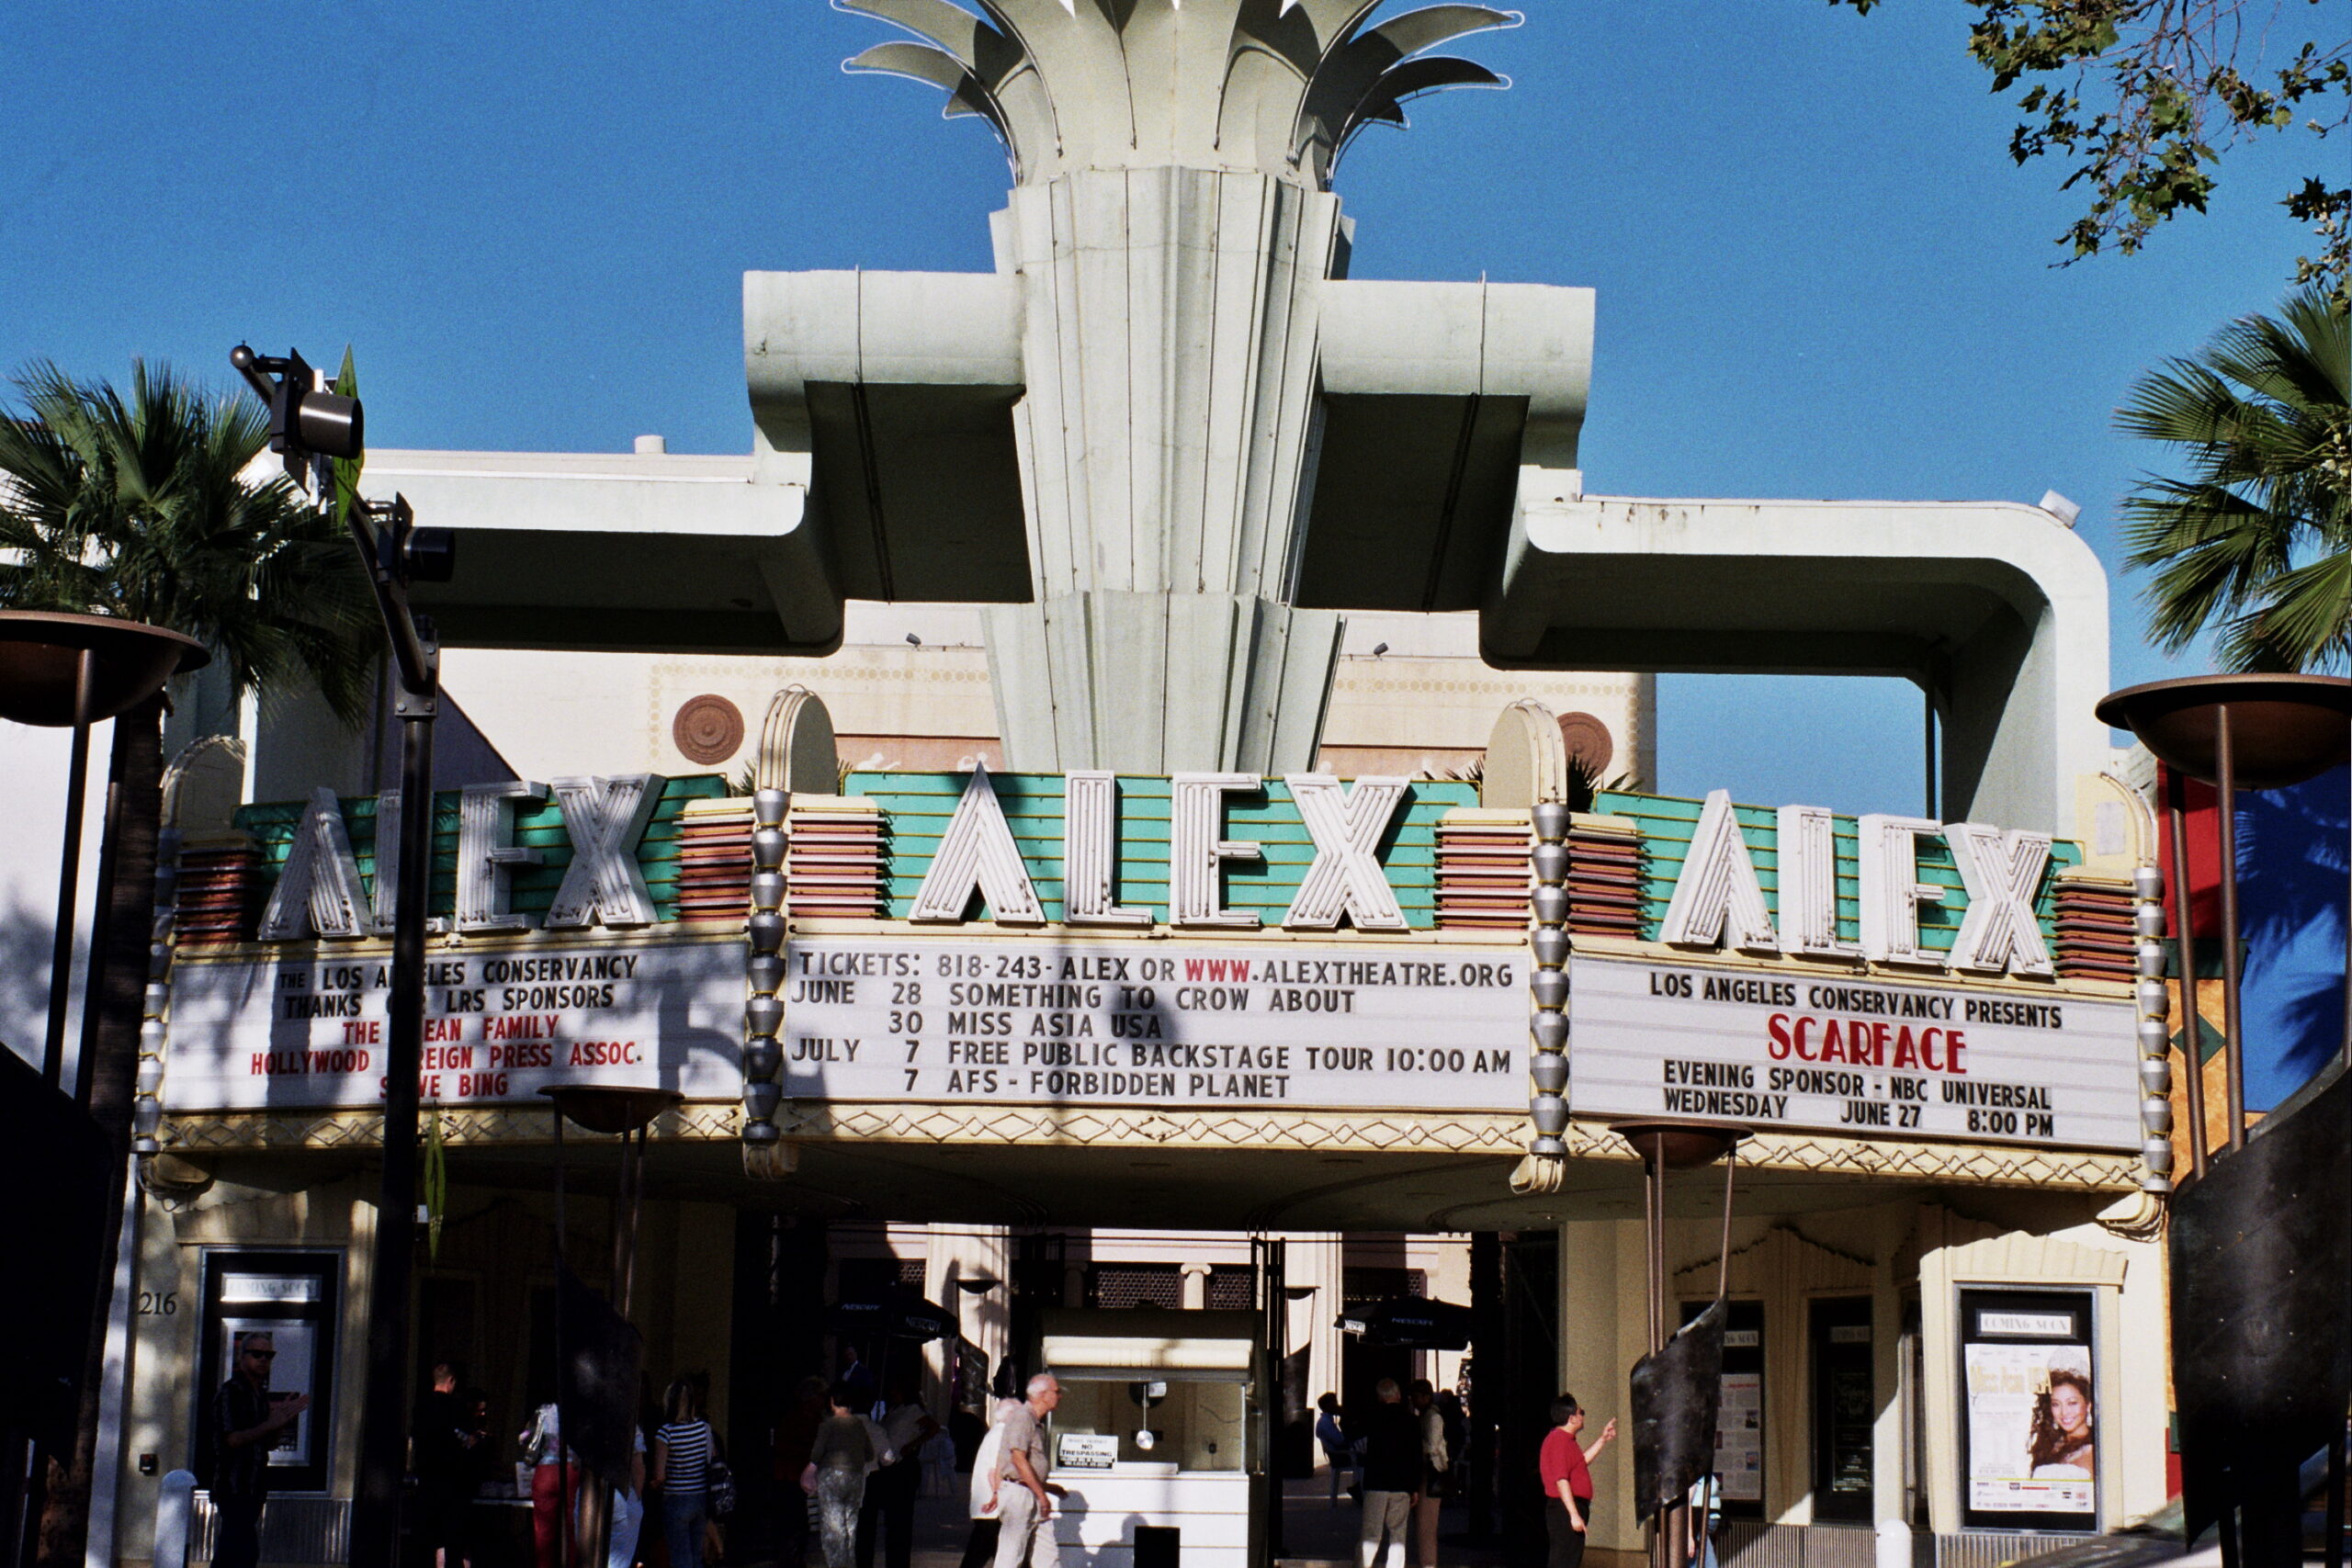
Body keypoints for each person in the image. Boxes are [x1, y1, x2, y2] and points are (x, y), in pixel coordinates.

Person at [209, 1331, 310, 1568]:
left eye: (269, 1355)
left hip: (254, 1486)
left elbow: (269, 1443)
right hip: (233, 1485)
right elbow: (231, 1439)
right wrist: (269, 1424)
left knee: (242, 1553)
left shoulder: (259, 1394)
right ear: (242, 1357)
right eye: (257, 1354)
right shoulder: (231, 1392)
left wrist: (279, 1423)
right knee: (237, 1551)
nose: (263, 1359)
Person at [859, 1374, 940, 1568]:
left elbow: (933, 1428)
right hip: (889, 1466)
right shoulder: (891, 1412)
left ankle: (899, 1562)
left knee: (900, 1521)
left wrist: (913, 1444)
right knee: (891, 1520)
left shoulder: (913, 1410)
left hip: (904, 1465)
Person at [991, 1373, 1067, 1568]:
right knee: (1010, 1556)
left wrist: (1045, 1488)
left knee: (1048, 1557)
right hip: (1020, 1495)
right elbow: (1017, 1459)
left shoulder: (1033, 1421)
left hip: (1030, 1492)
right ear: (1042, 1394)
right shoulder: (1022, 1416)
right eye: (1056, 1391)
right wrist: (1042, 1495)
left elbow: (1015, 1461)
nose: (1060, 1396)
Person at [808, 1382, 881, 1568]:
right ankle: (849, 1564)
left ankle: (836, 1564)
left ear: (832, 1401)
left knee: (833, 1527)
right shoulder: (858, 1424)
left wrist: (809, 1470)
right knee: (850, 1525)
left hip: (831, 1477)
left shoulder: (828, 1425)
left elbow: (817, 1453)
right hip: (856, 1478)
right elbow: (869, 1454)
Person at [1538, 1393, 1617, 1568]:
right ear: (1572, 1418)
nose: (1583, 1416)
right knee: (1564, 1560)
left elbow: (1581, 1462)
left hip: (1570, 1506)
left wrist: (1602, 1439)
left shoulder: (1567, 1441)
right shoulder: (1558, 1440)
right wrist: (1573, 1515)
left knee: (1570, 1559)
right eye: (1581, 1412)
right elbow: (1561, 1479)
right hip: (1564, 1508)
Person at [413, 1361, 478, 1568]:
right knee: (454, 1538)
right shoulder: (455, 1406)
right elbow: (468, 1439)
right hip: (452, 1480)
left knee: (432, 1538)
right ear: (451, 1381)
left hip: (426, 1478)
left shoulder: (420, 1406)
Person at [1357, 1380, 1421, 1568]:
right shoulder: (1412, 1420)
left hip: (1376, 1482)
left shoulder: (1372, 1418)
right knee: (1398, 1535)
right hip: (1401, 1484)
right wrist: (1414, 1487)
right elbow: (1416, 1456)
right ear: (1399, 1395)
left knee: (1371, 1535)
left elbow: (1360, 1444)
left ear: (1379, 1397)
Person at [655, 1378, 719, 1568]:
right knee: (695, 1555)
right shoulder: (704, 1428)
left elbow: (660, 1475)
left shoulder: (665, 1433)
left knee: (680, 1557)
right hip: (699, 1497)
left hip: (676, 1497)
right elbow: (712, 1457)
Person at [775, 1374, 831, 1567]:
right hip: (791, 1476)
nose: (824, 1401)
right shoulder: (796, 1419)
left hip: (802, 1477)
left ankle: (795, 1558)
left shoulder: (816, 1419)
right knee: (795, 1523)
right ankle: (791, 1560)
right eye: (821, 1396)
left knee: (800, 1523)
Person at [959, 1398, 1023, 1568]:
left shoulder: (996, 1433)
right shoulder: (1002, 1435)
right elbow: (995, 1470)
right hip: (992, 1508)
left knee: (984, 1554)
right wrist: (999, 1497)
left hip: (988, 1509)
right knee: (984, 1554)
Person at [521, 1401, 582, 1568]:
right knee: (573, 1527)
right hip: (572, 1469)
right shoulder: (583, 1409)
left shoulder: (544, 1410)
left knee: (543, 1531)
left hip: (545, 1469)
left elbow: (525, 1437)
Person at [2027, 1370, 2095, 1478]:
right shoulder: (2050, 1445)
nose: (2064, 1412)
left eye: (2072, 1403)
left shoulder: (2096, 1449)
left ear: (2088, 1406)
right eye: (2056, 1404)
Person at [1408, 1379, 1447, 1568]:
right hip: (1425, 1470)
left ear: (1426, 1397)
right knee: (1423, 1524)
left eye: (1417, 1397)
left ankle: (1429, 1563)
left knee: (1426, 1525)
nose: (1414, 1402)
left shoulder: (1433, 1418)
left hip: (1430, 1471)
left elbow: (1432, 1446)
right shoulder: (1425, 1416)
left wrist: (1413, 1445)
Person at [1315, 1393, 1354, 1507]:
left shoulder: (1326, 1422)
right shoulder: (1325, 1423)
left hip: (1340, 1453)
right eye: (1334, 1403)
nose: (1337, 1405)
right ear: (1327, 1406)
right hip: (1340, 1457)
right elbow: (1340, 1441)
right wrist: (1345, 1418)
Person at [1683, 1472, 1722, 1568]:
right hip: (1697, 1524)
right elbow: (1687, 1501)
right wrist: (1689, 1536)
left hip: (1704, 1525)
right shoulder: (1695, 1469)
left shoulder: (1703, 1469)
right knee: (1708, 1564)